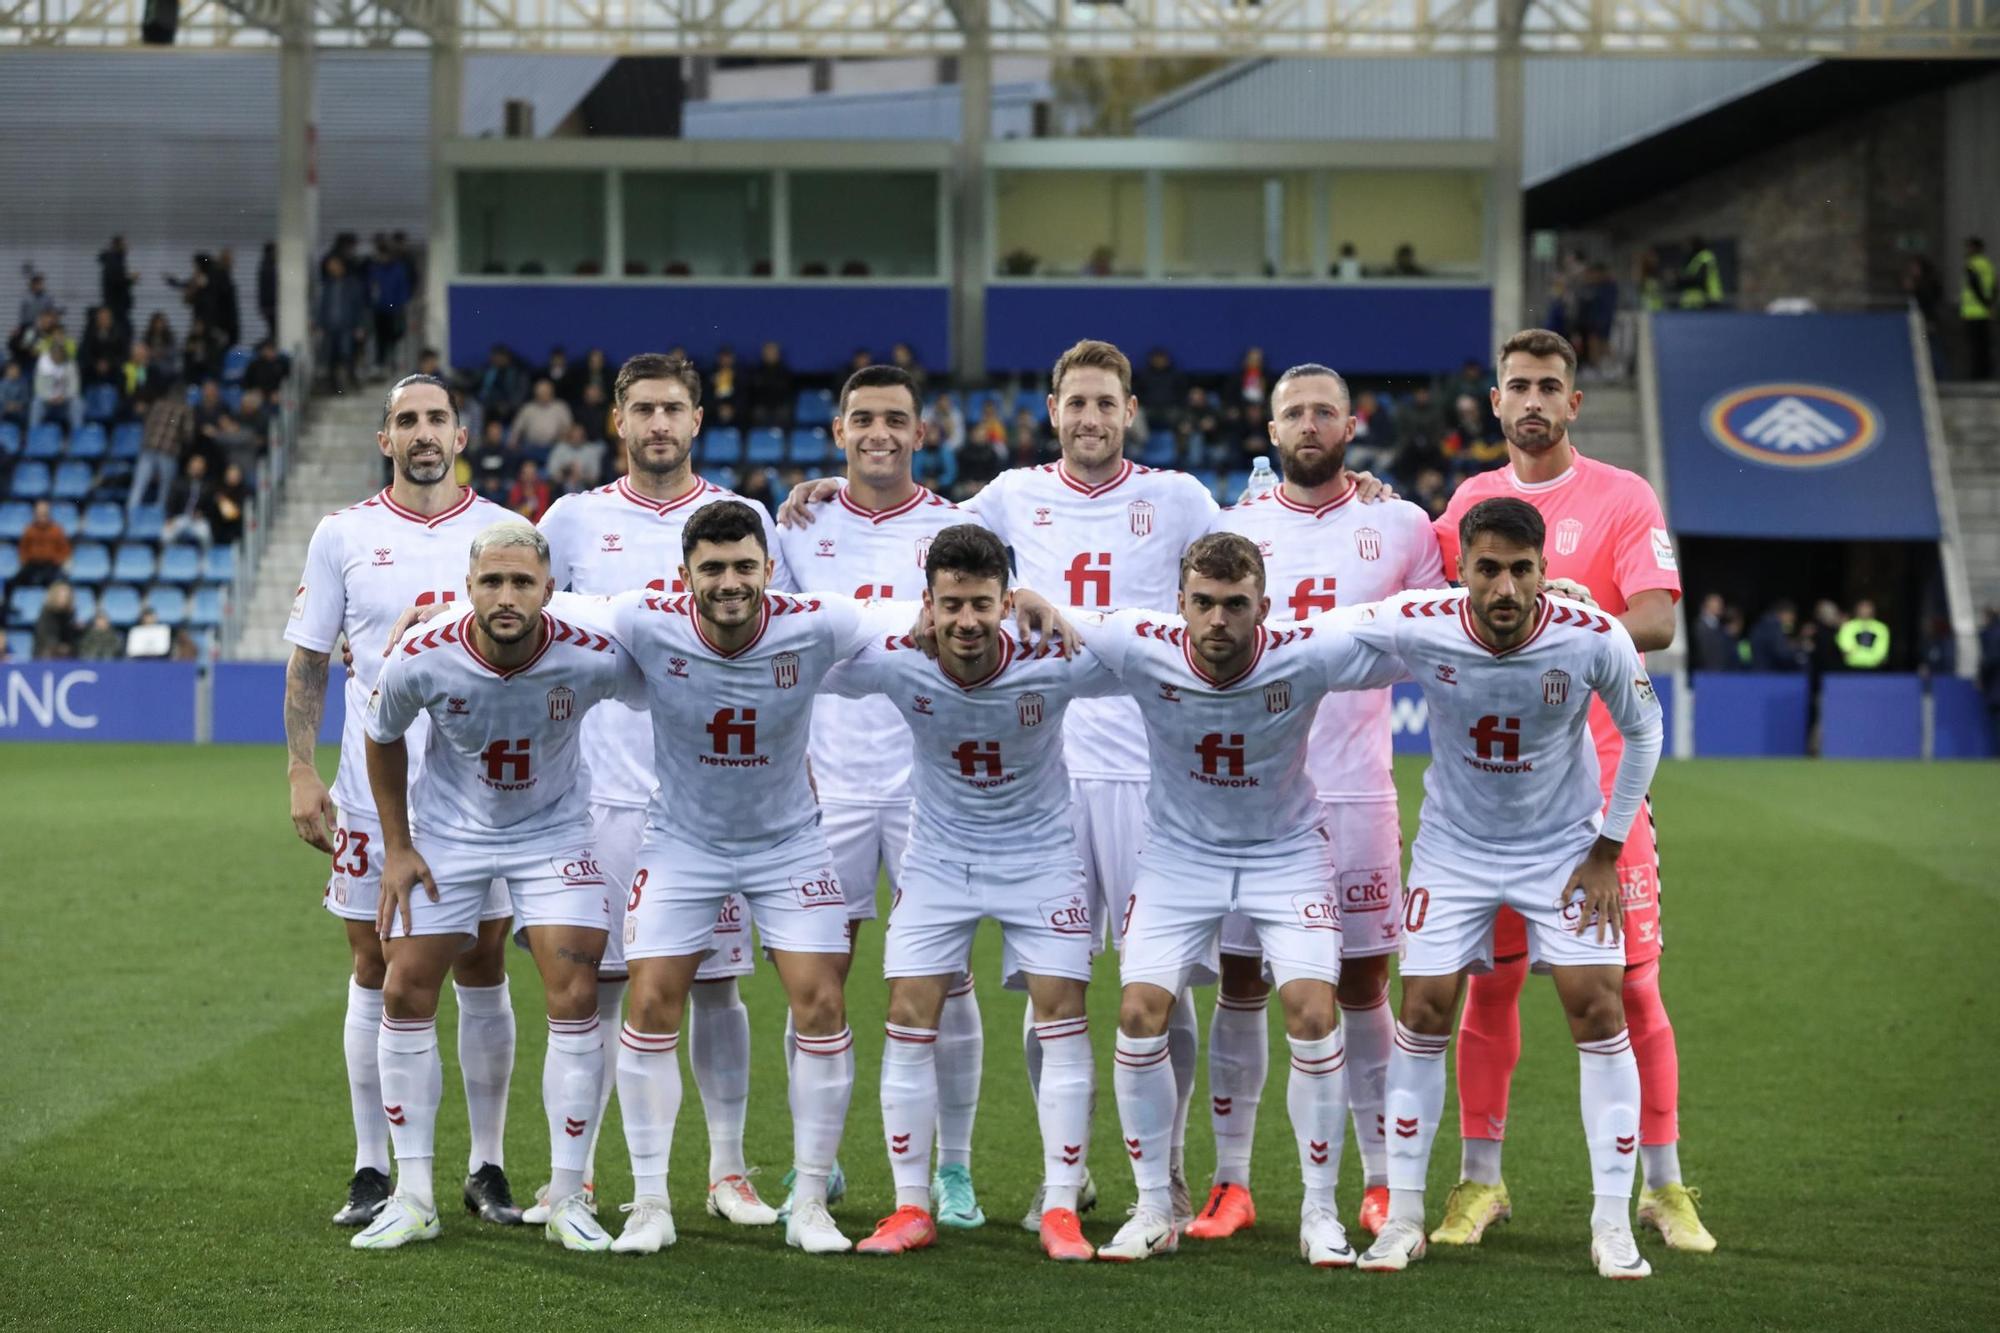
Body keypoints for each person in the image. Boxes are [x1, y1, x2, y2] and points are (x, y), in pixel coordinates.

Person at [780, 339, 1229, 1233]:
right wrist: (826, 488)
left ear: (1129, 410)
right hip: (1038, 769)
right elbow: (922, 522)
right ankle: (1061, 1179)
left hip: (1149, 770)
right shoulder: (1006, 498)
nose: (1092, 418)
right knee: (1041, 983)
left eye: (1108, 402)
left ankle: (1167, 1169)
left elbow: (1235, 572)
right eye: (1077, 403)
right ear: (1051, 410)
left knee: (1160, 986)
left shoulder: (1178, 496)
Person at [549, 501, 923, 1256]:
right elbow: (534, 600)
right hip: (682, 840)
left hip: (788, 843)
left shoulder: (816, 622)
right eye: (712, 568)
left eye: (744, 566)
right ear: (684, 575)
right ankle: (650, 1200)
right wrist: (431, 617)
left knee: (820, 1000)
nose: (729, 582)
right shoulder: (645, 618)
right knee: (652, 999)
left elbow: (924, 611)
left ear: (768, 569)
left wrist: (1028, 605)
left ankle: (810, 1199)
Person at [1046, 532, 1406, 1264]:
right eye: (1202, 603)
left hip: (1286, 853)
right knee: (1139, 1009)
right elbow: (1042, 624)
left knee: (1312, 1007)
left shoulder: (1307, 649)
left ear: (1262, 607)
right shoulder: (1138, 640)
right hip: (1180, 858)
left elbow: (1414, 631)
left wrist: (1541, 608)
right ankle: (1153, 1207)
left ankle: (1318, 1212)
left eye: (1235, 605)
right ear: (1178, 603)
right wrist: (1023, 602)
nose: (1217, 620)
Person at [1433, 329, 1712, 1254]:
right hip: (1498, 800)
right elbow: (1432, 605)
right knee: (1491, 990)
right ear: (1497, 401)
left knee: (1634, 992)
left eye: (1550, 386)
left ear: (1574, 402)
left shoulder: (1623, 496)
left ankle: (1664, 1188)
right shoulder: (1471, 501)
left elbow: (1660, 618)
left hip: (1602, 798)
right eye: (1519, 386)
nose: (1534, 400)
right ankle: (1480, 1181)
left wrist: (1565, 631)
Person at [1350, 497, 1664, 1280]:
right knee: (1422, 1009)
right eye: (1487, 568)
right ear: (1461, 570)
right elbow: (1320, 639)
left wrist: (1605, 849)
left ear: (1544, 574)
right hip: (1455, 849)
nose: (1504, 588)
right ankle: (1407, 1219)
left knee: (1598, 1005)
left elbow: (1646, 729)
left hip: (1561, 849)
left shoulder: (1591, 634)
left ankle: (1611, 1224)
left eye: (1521, 571)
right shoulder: (1417, 619)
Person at [531, 353, 788, 1230]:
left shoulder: (740, 519)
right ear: (617, 421)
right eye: (642, 410)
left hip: (712, 796)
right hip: (595, 789)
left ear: (697, 418)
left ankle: (727, 1171)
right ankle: (582, 1177)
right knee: (598, 990)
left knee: (716, 986)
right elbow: (523, 614)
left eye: (672, 408)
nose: (658, 425)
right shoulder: (570, 520)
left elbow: (777, 647)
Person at [1199, 364, 1447, 1243]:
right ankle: (1231, 1181)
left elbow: (1432, 633)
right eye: (1294, 412)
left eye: (1324, 412)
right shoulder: (1232, 527)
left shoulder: (1401, 522)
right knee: (1239, 981)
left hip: (1354, 787)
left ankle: (1380, 1179)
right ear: (1270, 430)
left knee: (1361, 982)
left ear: (1352, 425)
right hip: (1251, 796)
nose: (1310, 424)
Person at [819, 525, 1106, 1261]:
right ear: (928, 603)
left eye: (983, 603)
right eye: (952, 605)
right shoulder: (897, 658)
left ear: (1008, 601)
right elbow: (812, 634)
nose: (968, 621)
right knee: (910, 1012)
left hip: (1041, 857)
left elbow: (1154, 642)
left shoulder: (1058, 652)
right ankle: (912, 1204)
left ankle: (1062, 1205)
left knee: (1062, 1017)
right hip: (940, 858)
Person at [355, 520, 643, 1252]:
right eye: (492, 581)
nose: (507, 595)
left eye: (522, 582)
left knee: (576, 992)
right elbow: (381, 735)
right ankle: (414, 1194)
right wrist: (397, 846)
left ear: (550, 588)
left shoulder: (593, 649)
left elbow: (671, 678)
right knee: (402, 988)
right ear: (467, 588)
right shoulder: (424, 654)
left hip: (554, 832)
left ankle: (570, 1191)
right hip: (450, 835)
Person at [283, 374, 521, 1232]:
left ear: (461, 435)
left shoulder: (504, 535)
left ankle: (486, 1165)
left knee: (482, 964)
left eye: (436, 419)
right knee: (374, 968)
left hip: (480, 794)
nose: (422, 432)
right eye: (406, 420)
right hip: (365, 792)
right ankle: (371, 1166)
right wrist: (300, 770)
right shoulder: (342, 532)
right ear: (385, 438)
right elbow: (311, 659)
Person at [773, 365, 981, 1225]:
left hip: (931, 783)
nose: (880, 434)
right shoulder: (799, 523)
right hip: (829, 780)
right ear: (838, 431)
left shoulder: (959, 526)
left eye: (897, 419)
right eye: (863, 419)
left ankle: (955, 1168)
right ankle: (811, 1166)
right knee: (819, 976)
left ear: (922, 433)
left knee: (947, 978)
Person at [128, 384, 191, 516]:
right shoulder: (185, 409)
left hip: (149, 447)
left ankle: (130, 517)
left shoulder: (158, 404)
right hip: (168, 451)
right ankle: (159, 517)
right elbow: (187, 434)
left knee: (139, 485)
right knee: (165, 488)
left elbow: (147, 424)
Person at [161, 454, 217, 552]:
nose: (196, 469)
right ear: (189, 467)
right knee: (166, 534)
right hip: (180, 517)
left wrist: (203, 513)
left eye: (199, 467)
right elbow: (170, 502)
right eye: (194, 467)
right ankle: (170, 557)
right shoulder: (179, 482)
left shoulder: (207, 485)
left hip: (197, 520)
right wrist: (169, 518)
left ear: (203, 469)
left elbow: (211, 506)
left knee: (205, 534)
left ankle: (205, 559)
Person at [31, 338, 83, 437]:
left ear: (63, 354)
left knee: (77, 402)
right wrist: (50, 397)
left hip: (64, 401)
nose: (57, 356)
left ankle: (77, 435)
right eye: (54, 353)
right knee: (36, 402)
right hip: (48, 401)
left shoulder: (71, 365)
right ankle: (34, 435)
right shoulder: (42, 364)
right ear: (50, 354)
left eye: (59, 353)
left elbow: (74, 387)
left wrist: (63, 397)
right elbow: (38, 388)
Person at [508, 379, 574, 453]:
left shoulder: (561, 407)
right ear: (536, 394)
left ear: (552, 393)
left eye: (546, 393)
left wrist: (563, 439)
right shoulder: (527, 409)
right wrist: (513, 443)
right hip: (531, 447)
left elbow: (569, 428)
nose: (543, 396)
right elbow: (516, 429)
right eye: (540, 394)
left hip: (554, 447)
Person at [15, 499, 71, 587]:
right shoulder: (29, 529)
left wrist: (57, 560)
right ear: (35, 513)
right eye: (39, 512)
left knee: (62, 582)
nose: (41, 515)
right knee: (14, 583)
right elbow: (23, 549)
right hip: (32, 565)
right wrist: (25, 560)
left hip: (51, 566)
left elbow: (65, 550)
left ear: (48, 513)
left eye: (44, 512)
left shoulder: (57, 529)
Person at [1961, 237, 1994, 380]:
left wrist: (1984, 303)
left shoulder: (1972, 265)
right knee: (1984, 345)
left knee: (1975, 346)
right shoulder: (1988, 264)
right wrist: (1990, 304)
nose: (1967, 250)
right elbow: (1994, 286)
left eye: (1969, 247)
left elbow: (1974, 286)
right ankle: (1985, 374)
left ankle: (1976, 375)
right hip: (1985, 311)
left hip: (1973, 311)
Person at [1837, 598, 1890, 670]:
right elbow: (1846, 648)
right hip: (1852, 668)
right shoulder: (1848, 626)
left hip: (1875, 668)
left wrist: (1872, 660)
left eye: (1867, 608)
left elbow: (1881, 651)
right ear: (1857, 610)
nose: (1865, 611)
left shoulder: (1881, 628)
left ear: (1873, 610)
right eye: (1862, 608)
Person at [32, 579, 80, 658]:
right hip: (45, 656)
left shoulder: (69, 615)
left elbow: (70, 638)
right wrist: (61, 647)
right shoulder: (46, 614)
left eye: (66, 596)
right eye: (60, 595)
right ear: (53, 596)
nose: (64, 598)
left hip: (66, 655)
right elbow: (47, 639)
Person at [1678, 236, 1724, 310]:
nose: (1687, 248)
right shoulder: (1696, 258)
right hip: (1705, 296)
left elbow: (1700, 278)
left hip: (1708, 296)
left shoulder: (1704, 256)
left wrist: (1681, 280)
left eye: (1688, 245)